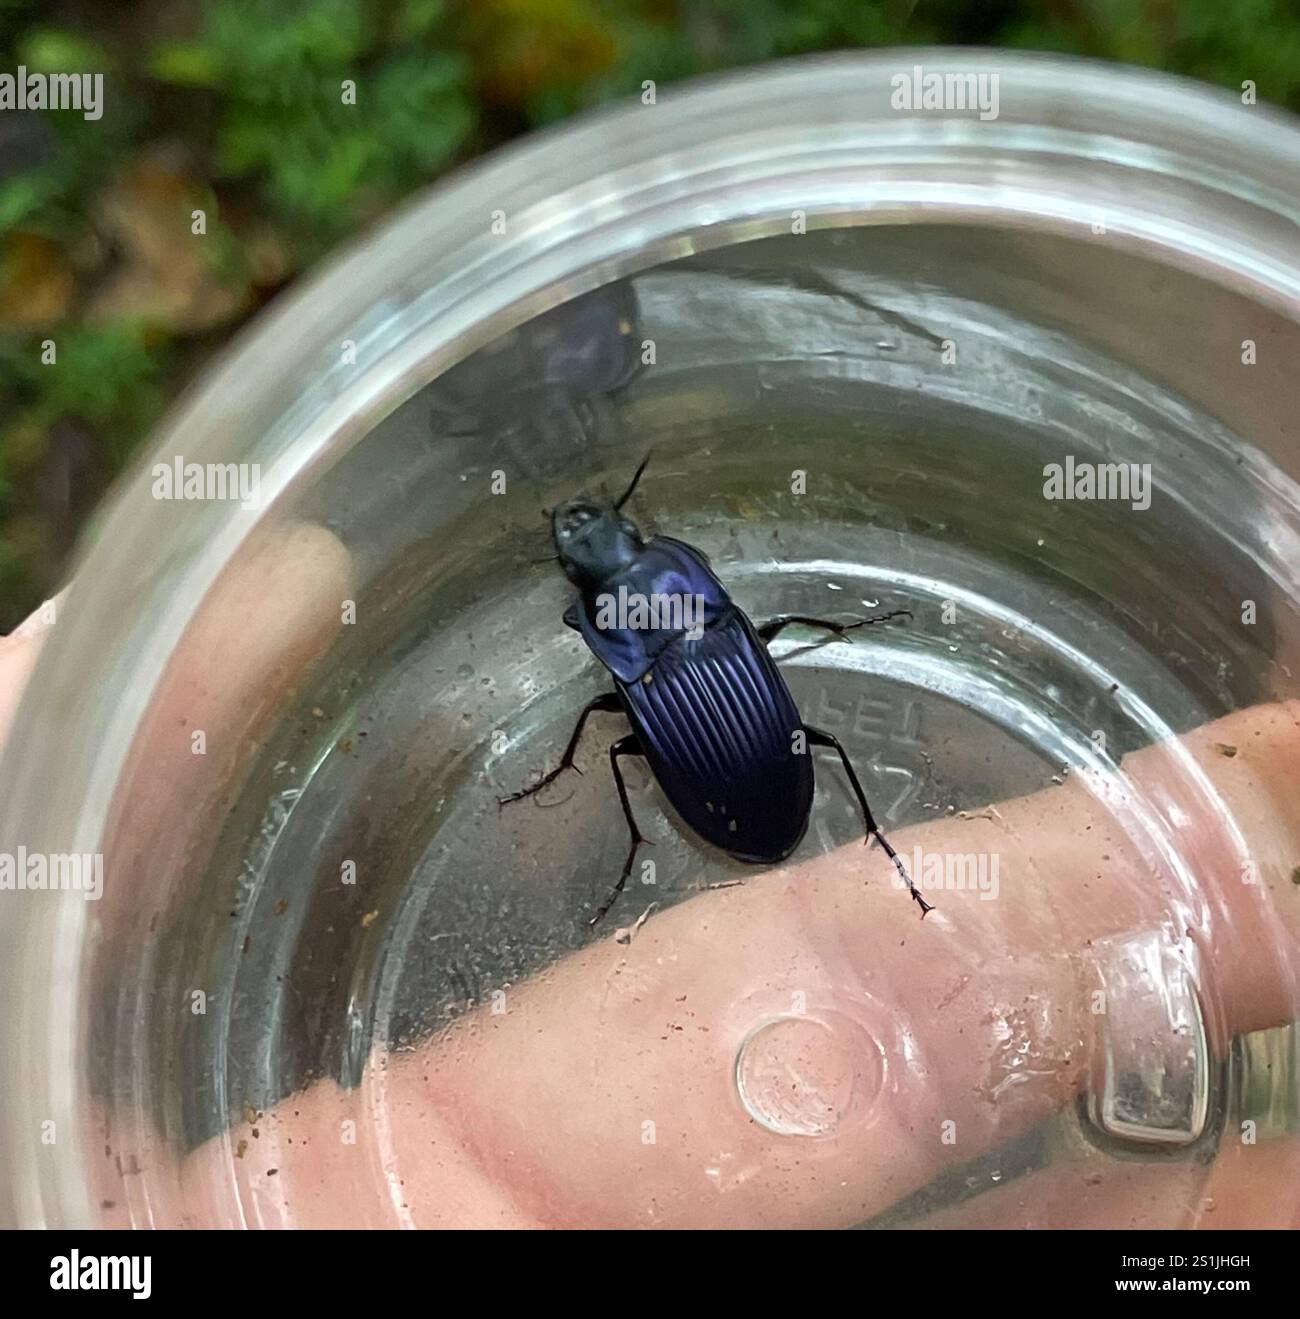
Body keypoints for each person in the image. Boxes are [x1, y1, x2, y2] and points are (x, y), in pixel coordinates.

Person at [3, 524, 1297, 1228]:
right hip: (748, 763)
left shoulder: (633, 633)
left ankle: (714, 842)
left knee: (672, 748)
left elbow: (635, 639)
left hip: (726, 765)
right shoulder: (681, 609)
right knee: (777, 743)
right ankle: (758, 842)